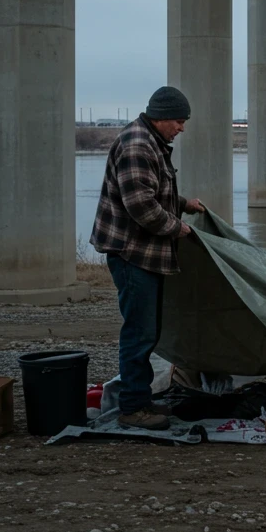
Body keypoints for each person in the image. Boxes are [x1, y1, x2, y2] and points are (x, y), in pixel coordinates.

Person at [90, 86, 206, 431]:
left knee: (148, 330)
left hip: (144, 253)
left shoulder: (150, 141)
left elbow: (155, 189)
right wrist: (179, 228)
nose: (182, 128)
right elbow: (141, 206)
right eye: (179, 121)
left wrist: (184, 203)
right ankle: (132, 409)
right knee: (139, 333)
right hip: (132, 254)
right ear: (161, 116)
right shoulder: (138, 145)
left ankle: (140, 399)